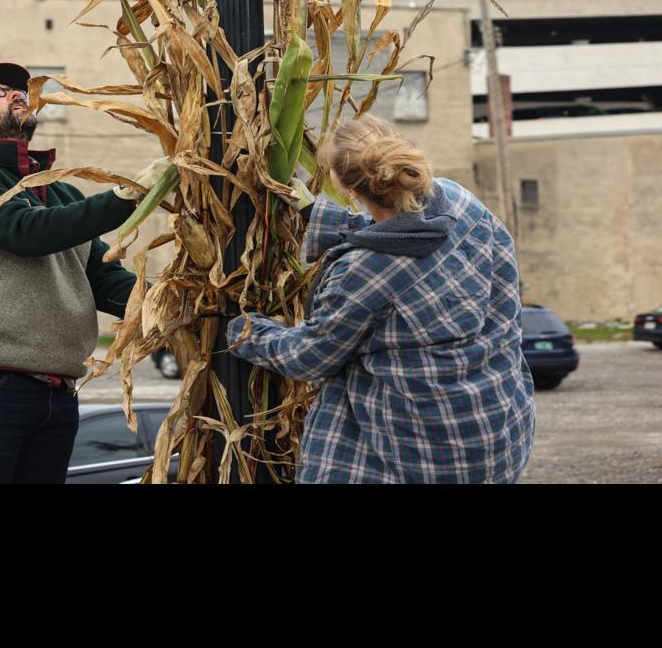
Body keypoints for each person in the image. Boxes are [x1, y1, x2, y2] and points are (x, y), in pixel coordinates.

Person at [226, 115, 535, 483]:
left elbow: (309, 357)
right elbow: (405, 232)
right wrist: (315, 213)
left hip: (419, 454)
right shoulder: (458, 202)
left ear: (347, 187)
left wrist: (242, 329)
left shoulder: (365, 271)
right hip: (496, 430)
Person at [0, 62, 167, 483]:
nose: (17, 94)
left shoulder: (59, 190)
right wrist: (127, 196)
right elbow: (24, 232)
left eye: (20, 90)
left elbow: (100, 278)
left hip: (55, 391)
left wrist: (171, 300)